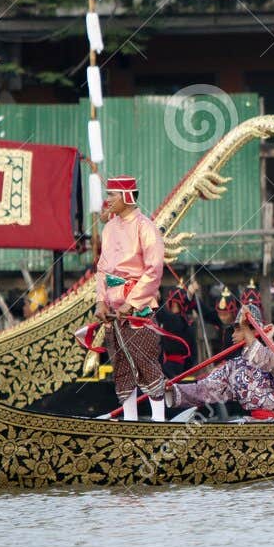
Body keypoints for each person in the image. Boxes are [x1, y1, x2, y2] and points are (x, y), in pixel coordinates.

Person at [94, 175, 167, 422]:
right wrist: (101, 301)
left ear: (126, 196)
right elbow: (102, 268)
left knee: (145, 361)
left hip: (139, 306)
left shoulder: (146, 227)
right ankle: (130, 421)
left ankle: (159, 421)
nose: (108, 200)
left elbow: (154, 270)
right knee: (122, 366)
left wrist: (132, 302)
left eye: (112, 194)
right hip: (113, 308)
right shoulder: (109, 227)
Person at [169, 299, 274, 416]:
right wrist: (172, 389)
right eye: (235, 330)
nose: (233, 335)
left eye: (239, 329)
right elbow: (204, 389)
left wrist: (255, 333)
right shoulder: (233, 367)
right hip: (255, 422)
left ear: (256, 330)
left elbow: (267, 360)